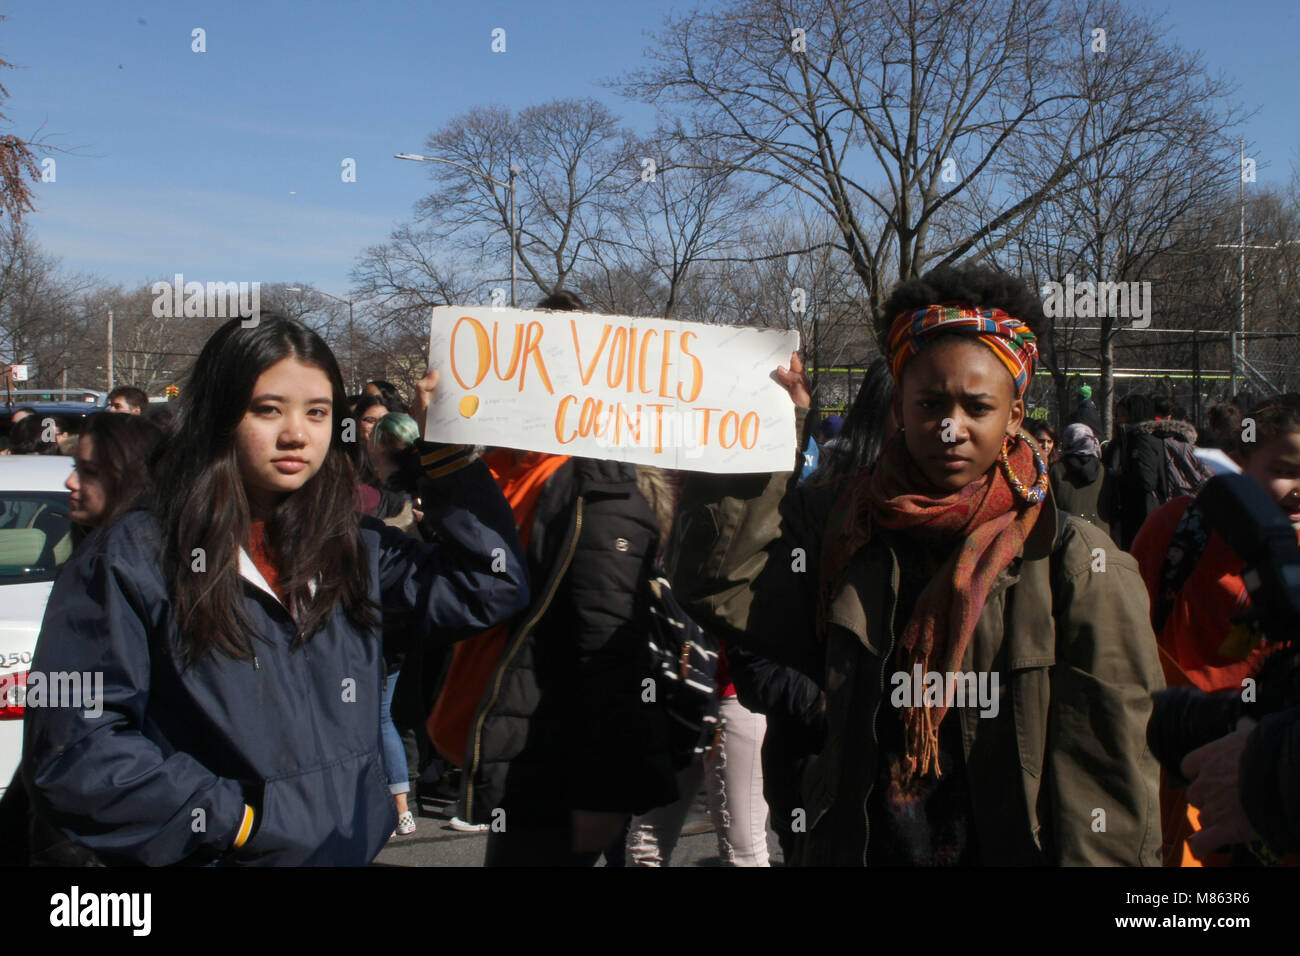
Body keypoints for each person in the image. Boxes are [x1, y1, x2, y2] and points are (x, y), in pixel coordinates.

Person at [670, 263, 1164, 865]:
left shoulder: (1073, 564)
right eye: (930, 403)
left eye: (977, 407)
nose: (951, 428)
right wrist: (764, 434)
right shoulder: (841, 528)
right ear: (899, 406)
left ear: (1014, 415)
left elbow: (1108, 782)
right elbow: (721, 584)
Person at [22, 314, 528, 866]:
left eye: (317, 412)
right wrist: (235, 822)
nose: (296, 433)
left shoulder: (352, 547)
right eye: (268, 409)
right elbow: (77, 748)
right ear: (217, 416)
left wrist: (445, 458)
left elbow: (488, 584)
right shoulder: (133, 556)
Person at [426, 292, 679, 865]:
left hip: (554, 766)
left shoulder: (596, 486)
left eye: (563, 357)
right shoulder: (504, 465)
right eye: (532, 353)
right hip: (517, 752)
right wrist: (437, 441)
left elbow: (606, 649)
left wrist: (598, 796)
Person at [1130, 393, 1300, 867]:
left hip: (1278, 793)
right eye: (1286, 468)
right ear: (1241, 462)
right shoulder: (1180, 529)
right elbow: (1125, 637)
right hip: (1175, 767)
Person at [1049, 423, 1112, 539]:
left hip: (1068, 535)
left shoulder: (1057, 470)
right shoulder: (1104, 471)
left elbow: (1049, 507)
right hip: (1101, 537)